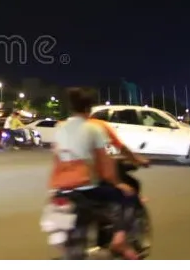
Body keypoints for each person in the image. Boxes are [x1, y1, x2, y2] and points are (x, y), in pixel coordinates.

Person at [49, 87, 139, 259]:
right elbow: (107, 165)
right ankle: (119, 239)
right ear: (89, 109)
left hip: (59, 191)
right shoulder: (94, 128)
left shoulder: (60, 128)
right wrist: (118, 183)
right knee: (128, 195)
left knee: (64, 244)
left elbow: (56, 161)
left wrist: (54, 190)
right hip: (86, 190)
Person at [87, 116, 149, 195]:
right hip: (95, 173)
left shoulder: (78, 125)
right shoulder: (101, 125)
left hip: (79, 174)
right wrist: (137, 160)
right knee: (132, 184)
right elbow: (122, 148)